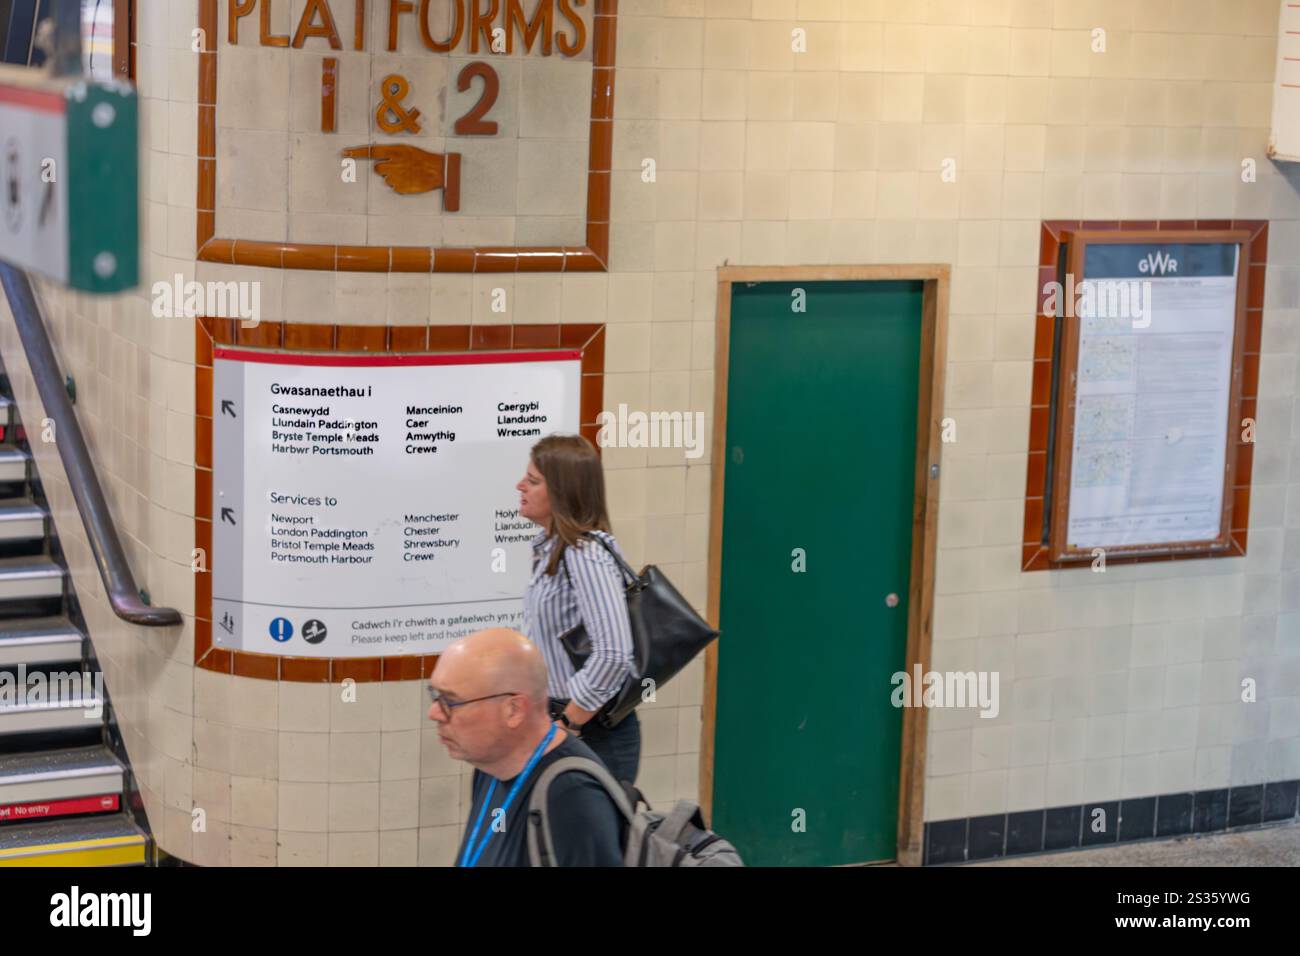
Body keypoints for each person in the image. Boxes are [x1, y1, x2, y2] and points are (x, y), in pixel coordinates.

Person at [430, 628, 624, 867]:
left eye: (451, 701)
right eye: (435, 696)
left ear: (513, 710)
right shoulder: (491, 765)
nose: (434, 713)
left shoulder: (572, 797)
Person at [517, 434, 640, 783]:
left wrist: (569, 723)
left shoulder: (584, 555)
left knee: (588, 837)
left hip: (591, 731)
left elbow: (615, 653)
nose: (519, 485)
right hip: (559, 721)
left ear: (561, 493)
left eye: (533, 481)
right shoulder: (551, 549)